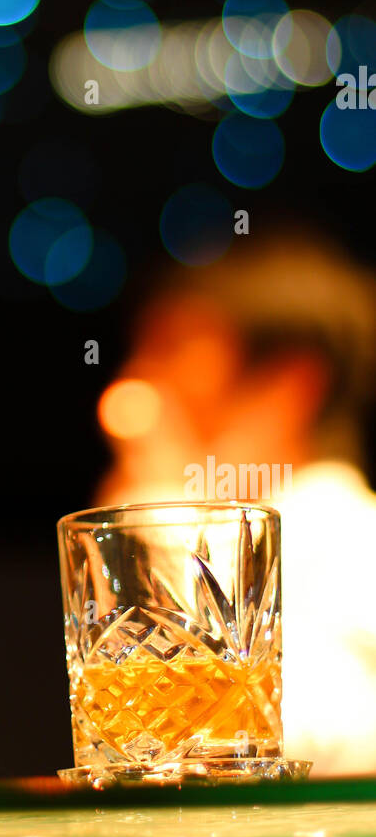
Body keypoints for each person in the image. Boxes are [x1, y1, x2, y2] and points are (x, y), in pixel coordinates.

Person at [92, 227, 376, 777]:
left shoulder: (350, 534)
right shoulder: (205, 530)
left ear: (290, 380)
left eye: (175, 349)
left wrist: (159, 512)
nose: (137, 381)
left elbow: (334, 735)